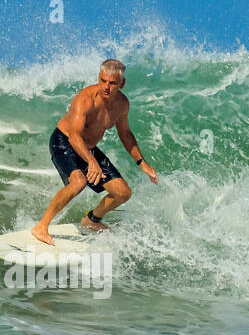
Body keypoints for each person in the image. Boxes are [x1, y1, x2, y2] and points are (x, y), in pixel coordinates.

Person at [31, 58, 158, 245]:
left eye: (112, 83)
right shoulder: (84, 100)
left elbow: (126, 134)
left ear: (121, 84)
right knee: (78, 182)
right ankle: (41, 226)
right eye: (103, 81)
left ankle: (91, 220)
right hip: (63, 142)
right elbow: (74, 136)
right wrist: (91, 161)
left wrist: (142, 163)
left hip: (87, 148)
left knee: (123, 192)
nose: (106, 87)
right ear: (98, 78)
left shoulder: (122, 105)